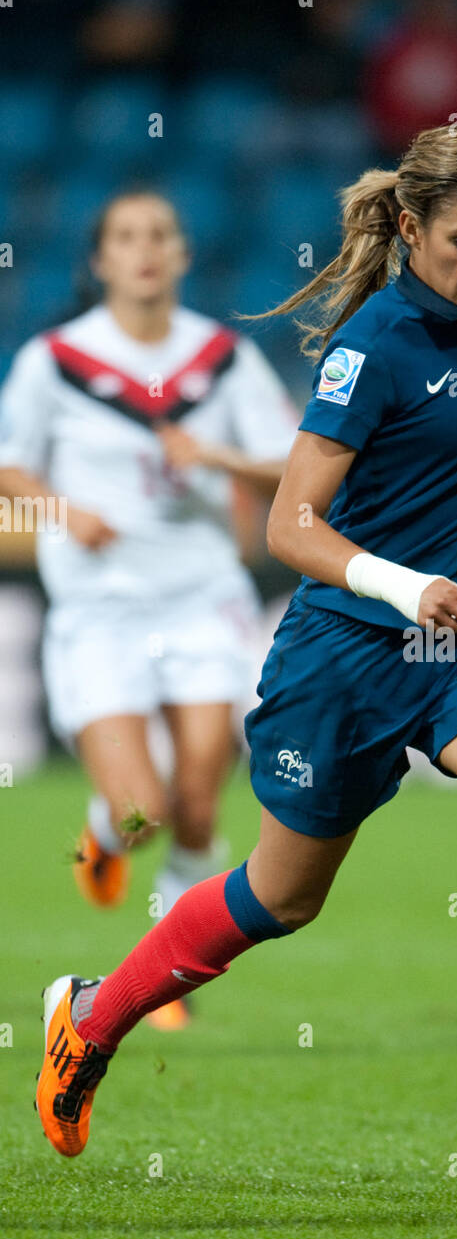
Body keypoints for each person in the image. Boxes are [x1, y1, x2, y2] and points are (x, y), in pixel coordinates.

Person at [35, 126, 457, 1176]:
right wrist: (404, 586)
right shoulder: (374, 347)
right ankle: (93, 1016)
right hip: (345, 652)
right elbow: (290, 529)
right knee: (279, 898)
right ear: (409, 229)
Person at [0, 190, 298, 1030]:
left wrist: (217, 453)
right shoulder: (53, 359)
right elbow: (8, 467)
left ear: (182, 254)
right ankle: (104, 829)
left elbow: (293, 467)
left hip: (204, 597)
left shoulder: (223, 357)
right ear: (100, 260)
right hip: (100, 610)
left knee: (202, 794)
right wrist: (63, 511)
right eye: (126, 236)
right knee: (144, 810)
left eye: (160, 234)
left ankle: (160, 968)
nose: (144, 249)